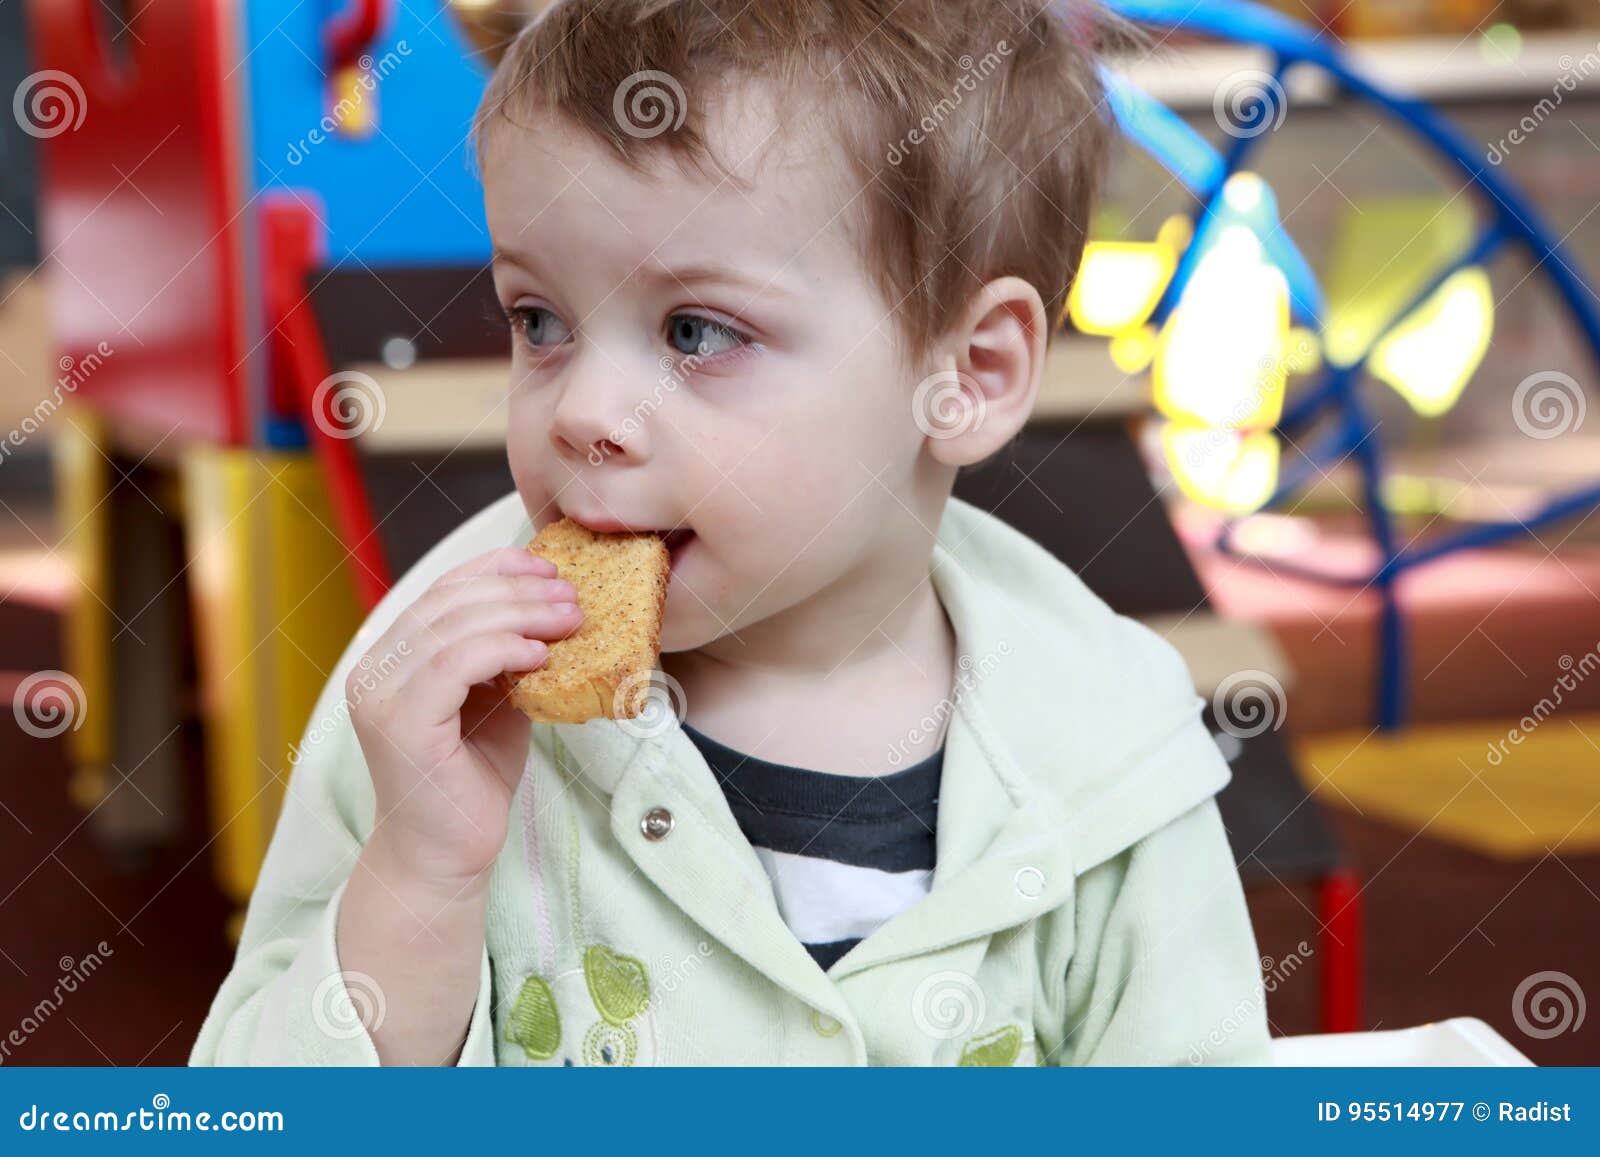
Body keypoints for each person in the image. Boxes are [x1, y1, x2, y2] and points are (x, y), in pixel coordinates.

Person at [191, 0, 1269, 1067]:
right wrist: (418, 877)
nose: (581, 413)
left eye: (696, 331)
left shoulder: (1109, 745)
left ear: (968, 375)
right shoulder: (433, 692)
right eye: (539, 321)